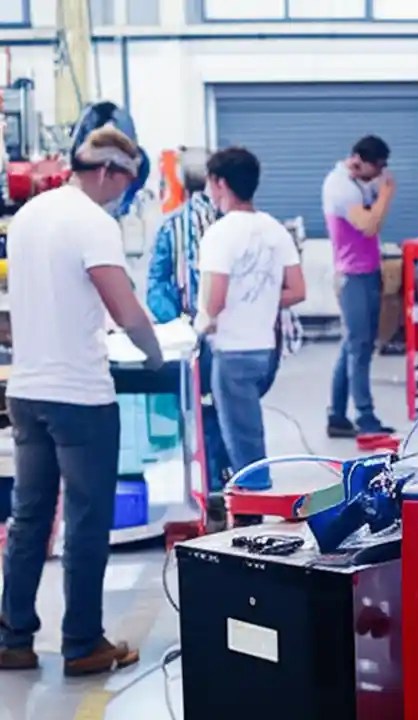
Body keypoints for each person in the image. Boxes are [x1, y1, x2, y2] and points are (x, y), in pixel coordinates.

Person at [0, 122, 162, 676]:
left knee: (29, 518)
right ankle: (83, 643)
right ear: (109, 171)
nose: (125, 195)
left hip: (26, 391)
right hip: (80, 396)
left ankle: (13, 637)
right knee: (88, 520)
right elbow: (123, 306)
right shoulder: (93, 222)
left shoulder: (29, 216)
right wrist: (155, 348)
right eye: (127, 184)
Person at [198, 147, 307, 491]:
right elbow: (298, 290)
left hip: (232, 352)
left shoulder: (219, 233)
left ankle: (250, 505)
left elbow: (213, 303)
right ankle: (232, 493)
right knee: (241, 427)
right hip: (266, 353)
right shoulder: (275, 230)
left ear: (220, 183)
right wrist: (259, 299)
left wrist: (200, 322)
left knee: (243, 441)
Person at [146, 149, 232, 489]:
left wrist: (181, 326)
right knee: (229, 415)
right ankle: (229, 486)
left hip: (190, 338)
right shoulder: (236, 223)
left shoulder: (171, 225)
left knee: (199, 412)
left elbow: (156, 285)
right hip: (232, 338)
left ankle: (208, 487)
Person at [323, 135, 395, 438]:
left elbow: (374, 221)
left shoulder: (359, 181)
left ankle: (338, 416)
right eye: (375, 168)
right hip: (352, 276)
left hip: (367, 271)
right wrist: (387, 193)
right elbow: (369, 224)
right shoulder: (340, 187)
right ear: (357, 161)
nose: (379, 176)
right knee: (360, 347)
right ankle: (365, 417)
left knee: (352, 345)